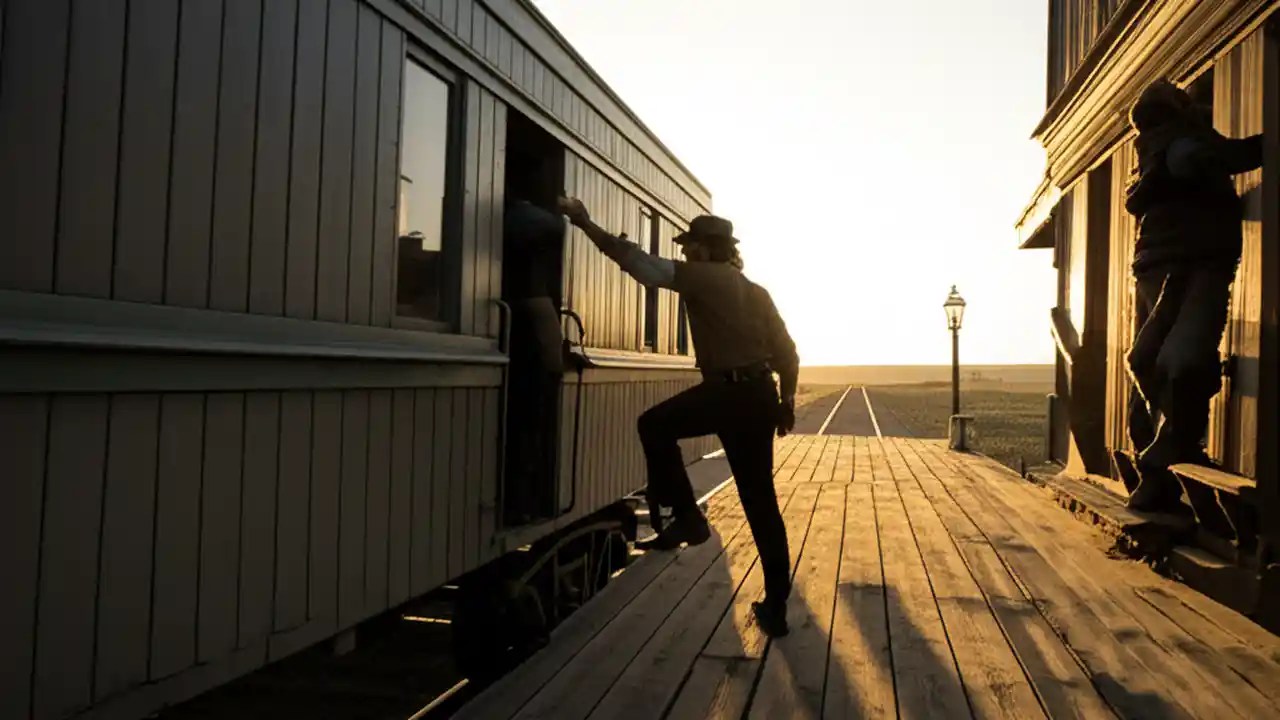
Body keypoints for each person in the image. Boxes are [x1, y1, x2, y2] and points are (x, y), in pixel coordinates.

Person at [555, 196, 799, 637]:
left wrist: (586, 223)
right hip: (760, 395)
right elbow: (788, 353)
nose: (685, 252)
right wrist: (787, 402)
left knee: (654, 425)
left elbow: (640, 266)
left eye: (690, 246)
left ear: (706, 249)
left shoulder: (702, 277)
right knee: (762, 504)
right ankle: (776, 608)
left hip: (727, 394)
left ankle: (688, 516)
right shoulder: (757, 291)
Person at [1122, 78, 1263, 510]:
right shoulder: (1178, 144)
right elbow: (1228, 157)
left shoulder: (1155, 150)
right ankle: (1175, 446)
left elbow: (1217, 159)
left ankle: (1168, 454)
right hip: (1188, 261)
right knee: (1157, 361)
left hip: (1185, 262)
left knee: (1168, 361)